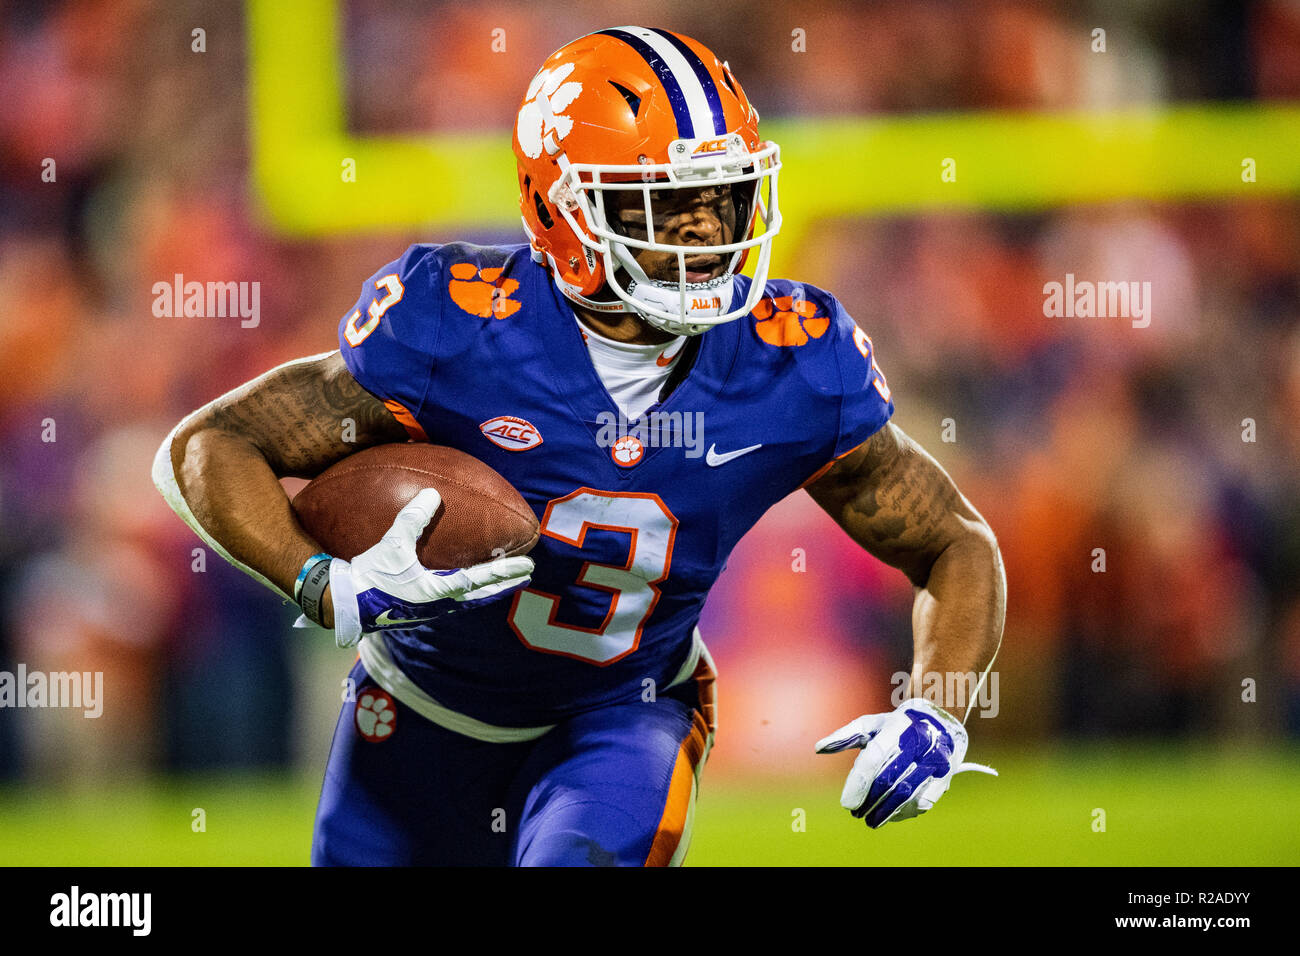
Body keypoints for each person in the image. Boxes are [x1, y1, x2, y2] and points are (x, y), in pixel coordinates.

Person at [153, 25, 1005, 866]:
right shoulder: (456, 327)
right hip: (412, 712)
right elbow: (208, 445)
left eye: (722, 194)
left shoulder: (793, 362)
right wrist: (323, 587)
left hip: (621, 719)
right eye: (668, 203)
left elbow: (955, 543)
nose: (708, 231)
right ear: (562, 208)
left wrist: (937, 709)